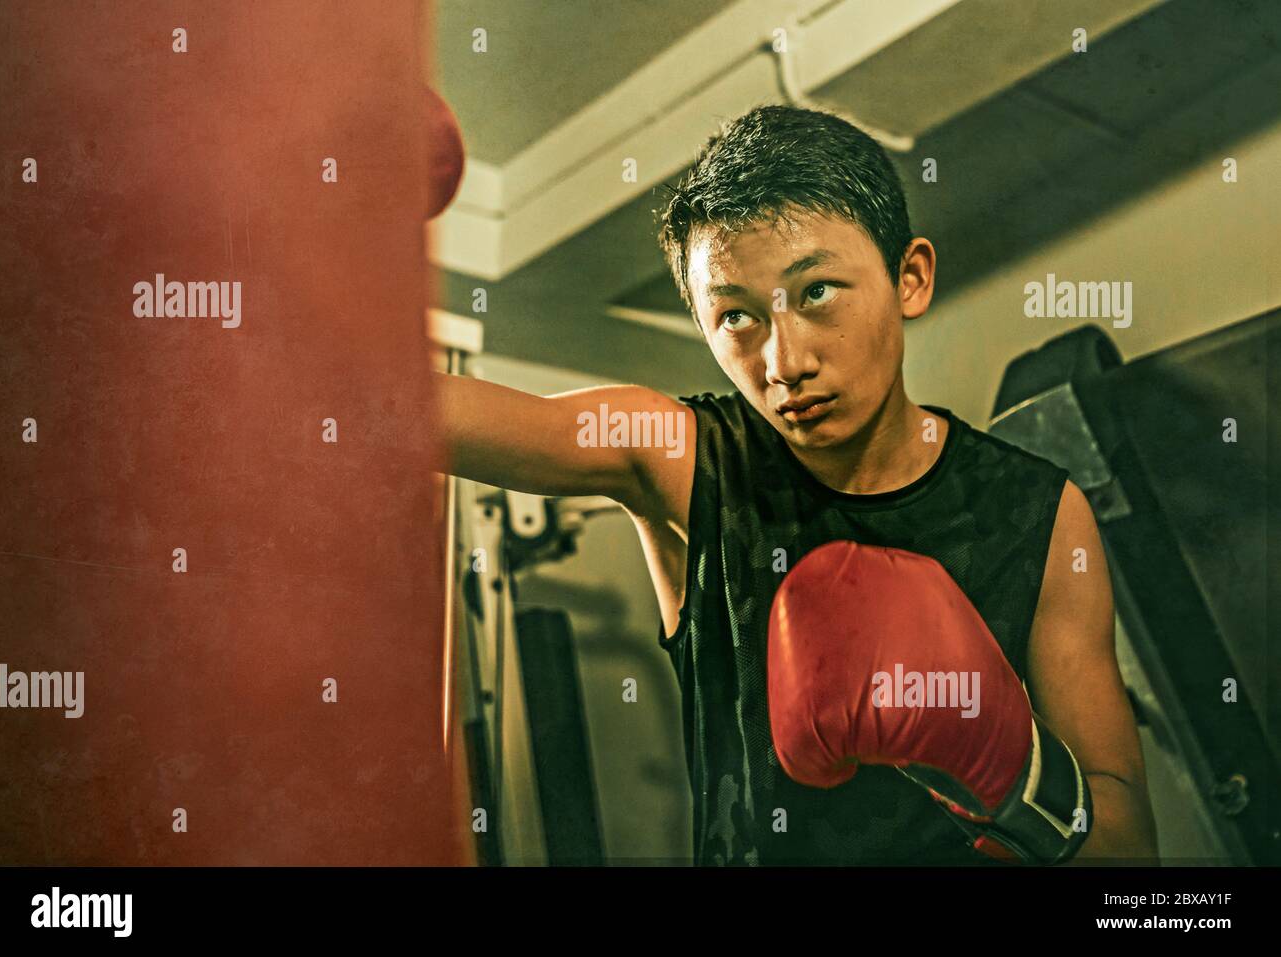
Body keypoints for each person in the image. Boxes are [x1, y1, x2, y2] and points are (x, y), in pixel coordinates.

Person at [434, 104, 1158, 866]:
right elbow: (415, 419)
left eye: (815, 293)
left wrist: (1009, 766)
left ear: (910, 277)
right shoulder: (687, 461)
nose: (783, 363)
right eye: (736, 316)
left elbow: (1132, 853)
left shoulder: (1038, 511)